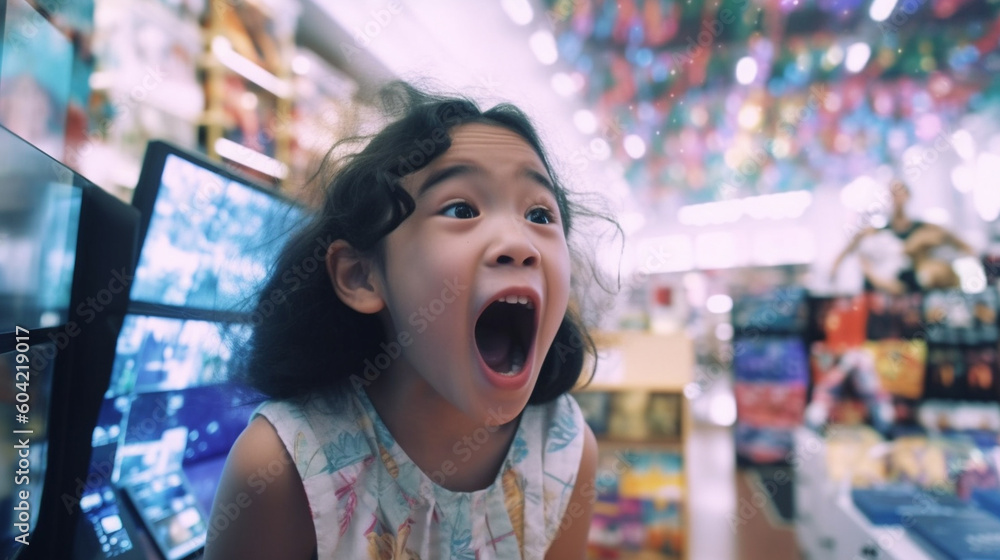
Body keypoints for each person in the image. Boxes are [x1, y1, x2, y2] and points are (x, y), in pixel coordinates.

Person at [203, 83, 600, 560]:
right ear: (361, 275)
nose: (519, 243)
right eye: (461, 209)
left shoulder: (560, 448)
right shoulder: (283, 467)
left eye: (539, 213)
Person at [830, 179, 974, 294]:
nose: (896, 198)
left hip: (914, 291)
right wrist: (836, 266)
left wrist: (965, 252)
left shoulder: (923, 228)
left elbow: (955, 240)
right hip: (884, 294)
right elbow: (852, 245)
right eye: (892, 194)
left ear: (908, 195)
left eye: (900, 192)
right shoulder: (878, 232)